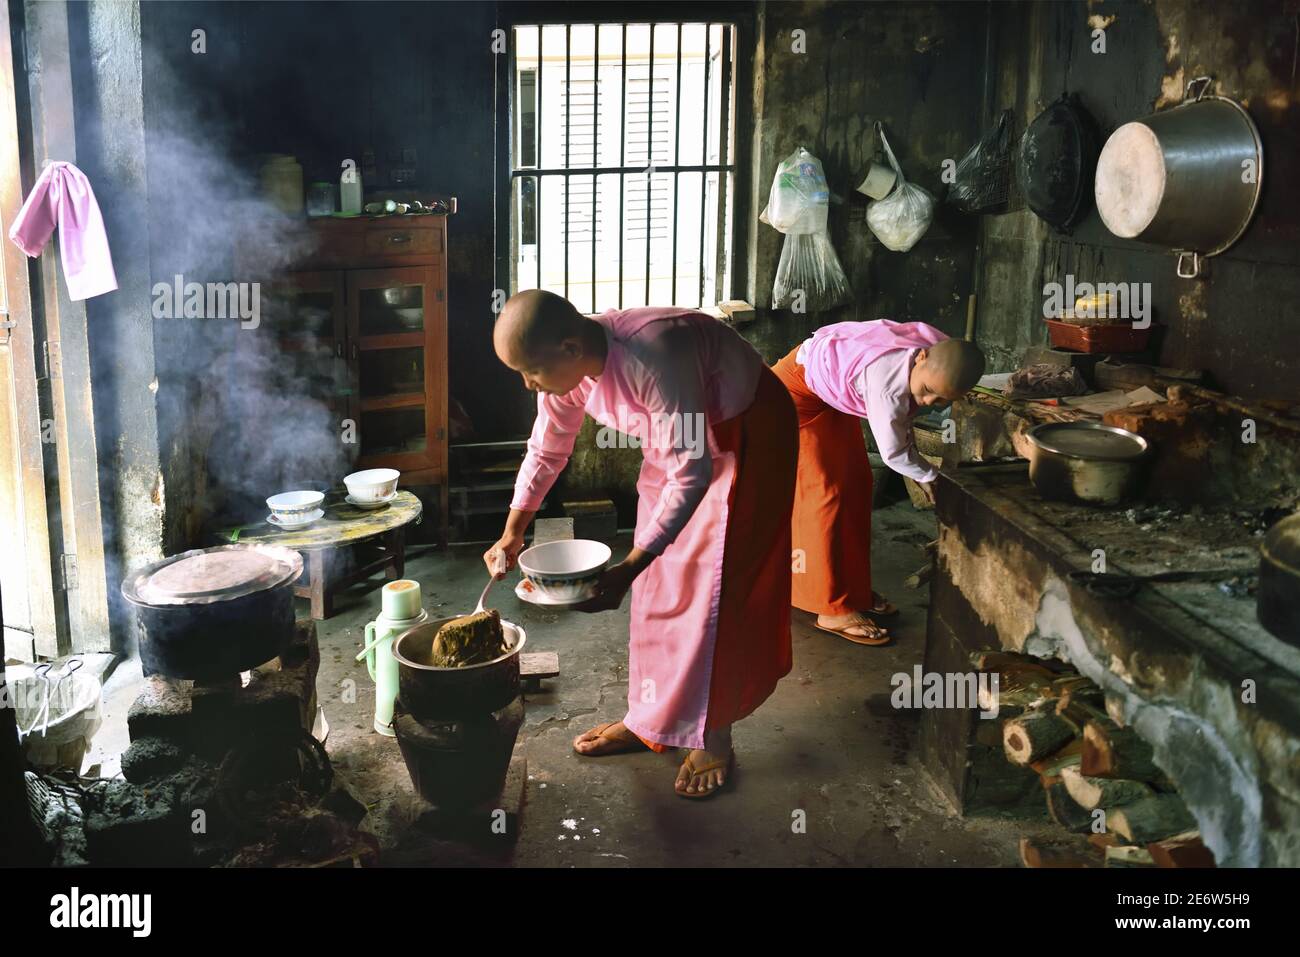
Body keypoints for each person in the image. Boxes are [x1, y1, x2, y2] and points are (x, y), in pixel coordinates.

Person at [485, 290, 798, 798]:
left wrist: (627, 568)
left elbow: (693, 474)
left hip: (745, 430)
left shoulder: (657, 356)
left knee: (714, 588)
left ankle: (712, 735)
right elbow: (547, 447)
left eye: (531, 373)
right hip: (678, 442)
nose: (528, 385)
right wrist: (513, 529)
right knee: (657, 584)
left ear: (569, 346)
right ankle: (652, 720)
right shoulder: (566, 369)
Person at [772, 320, 985, 645]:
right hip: (797, 395)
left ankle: (851, 590)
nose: (928, 402)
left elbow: (902, 435)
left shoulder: (940, 352)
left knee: (857, 484)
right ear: (921, 358)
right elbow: (894, 453)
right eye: (927, 391)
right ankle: (831, 606)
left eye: (940, 399)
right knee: (828, 496)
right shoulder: (886, 385)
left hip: (831, 390)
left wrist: (922, 471)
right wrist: (929, 474)